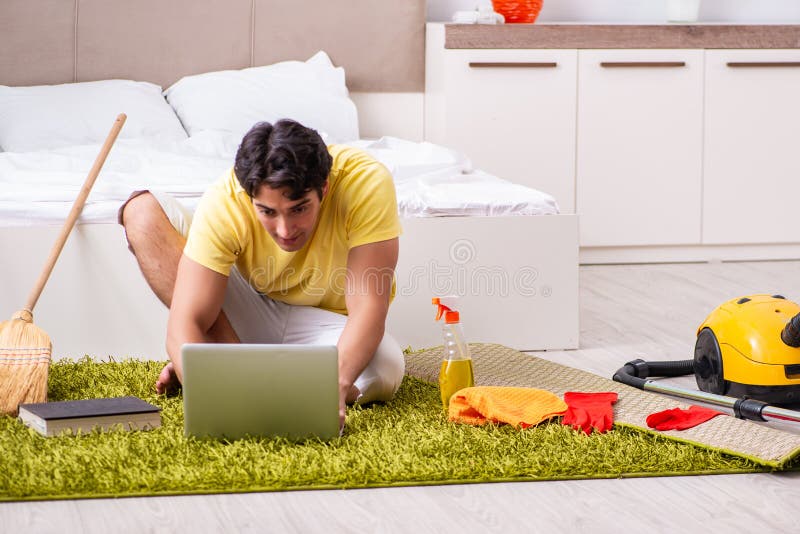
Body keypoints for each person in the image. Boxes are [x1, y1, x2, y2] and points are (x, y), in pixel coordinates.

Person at [119, 119, 405, 429]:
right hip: (251, 308)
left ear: (323, 188)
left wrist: (330, 388)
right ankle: (225, 362)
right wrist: (204, 385)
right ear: (249, 196)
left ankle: (232, 365)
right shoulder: (226, 199)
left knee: (385, 363)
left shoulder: (365, 181)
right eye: (267, 212)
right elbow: (185, 322)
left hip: (326, 326)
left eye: (299, 208)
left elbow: (368, 308)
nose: (285, 230)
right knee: (141, 209)